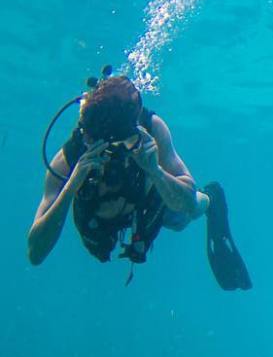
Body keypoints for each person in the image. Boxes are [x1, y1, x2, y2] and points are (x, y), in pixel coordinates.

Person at [28, 72, 251, 290]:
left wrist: (155, 171)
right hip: (99, 218)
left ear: (135, 129)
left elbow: (188, 203)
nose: (113, 157)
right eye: (103, 147)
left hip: (148, 201)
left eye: (122, 145)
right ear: (87, 137)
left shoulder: (151, 131)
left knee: (182, 217)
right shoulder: (70, 159)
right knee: (99, 243)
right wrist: (71, 187)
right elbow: (36, 253)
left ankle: (212, 200)